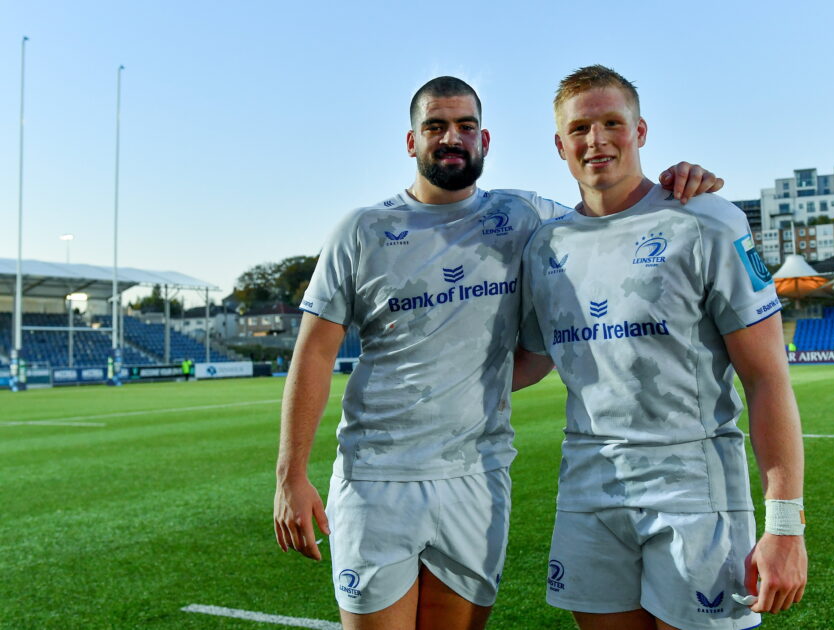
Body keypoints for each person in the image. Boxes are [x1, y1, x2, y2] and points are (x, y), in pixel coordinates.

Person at [273, 75, 725, 630]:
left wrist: (677, 182)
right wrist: (290, 473)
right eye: (434, 126)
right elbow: (314, 354)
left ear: (484, 141)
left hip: (478, 476)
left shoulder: (524, 218)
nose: (451, 138)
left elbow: (610, 210)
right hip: (376, 478)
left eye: (465, 126)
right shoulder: (363, 230)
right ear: (411, 142)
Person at [516, 65, 807, 630]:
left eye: (611, 123)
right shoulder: (546, 244)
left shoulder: (706, 220)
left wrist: (786, 527)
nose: (596, 140)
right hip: (587, 488)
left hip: (694, 490)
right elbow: (532, 357)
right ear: (559, 145)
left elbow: (768, 378)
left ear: (641, 131)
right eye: (579, 129)